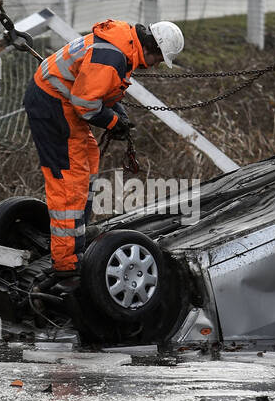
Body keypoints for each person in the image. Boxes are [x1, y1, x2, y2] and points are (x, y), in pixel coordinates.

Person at [24, 19, 185, 288]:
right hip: (53, 107)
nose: (155, 65)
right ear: (151, 47)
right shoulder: (112, 55)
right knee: (69, 181)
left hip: (63, 104)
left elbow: (100, 88)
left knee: (87, 162)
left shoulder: (123, 46)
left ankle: (78, 234)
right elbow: (86, 104)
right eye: (158, 59)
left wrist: (115, 111)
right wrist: (112, 122)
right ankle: (66, 262)